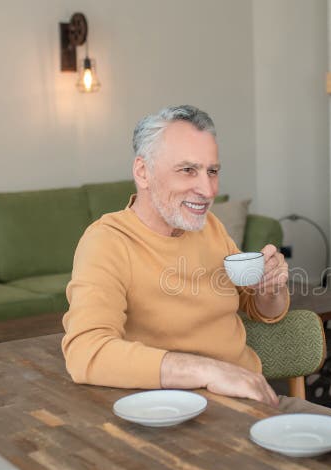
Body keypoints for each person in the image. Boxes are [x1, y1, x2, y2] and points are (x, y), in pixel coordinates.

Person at [62, 105, 289, 406]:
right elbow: (87, 352)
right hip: (172, 411)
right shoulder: (107, 242)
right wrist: (209, 371)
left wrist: (271, 289)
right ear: (143, 172)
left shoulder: (210, 227)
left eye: (212, 171)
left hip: (248, 397)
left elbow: (262, 309)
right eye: (187, 170)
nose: (207, 190)